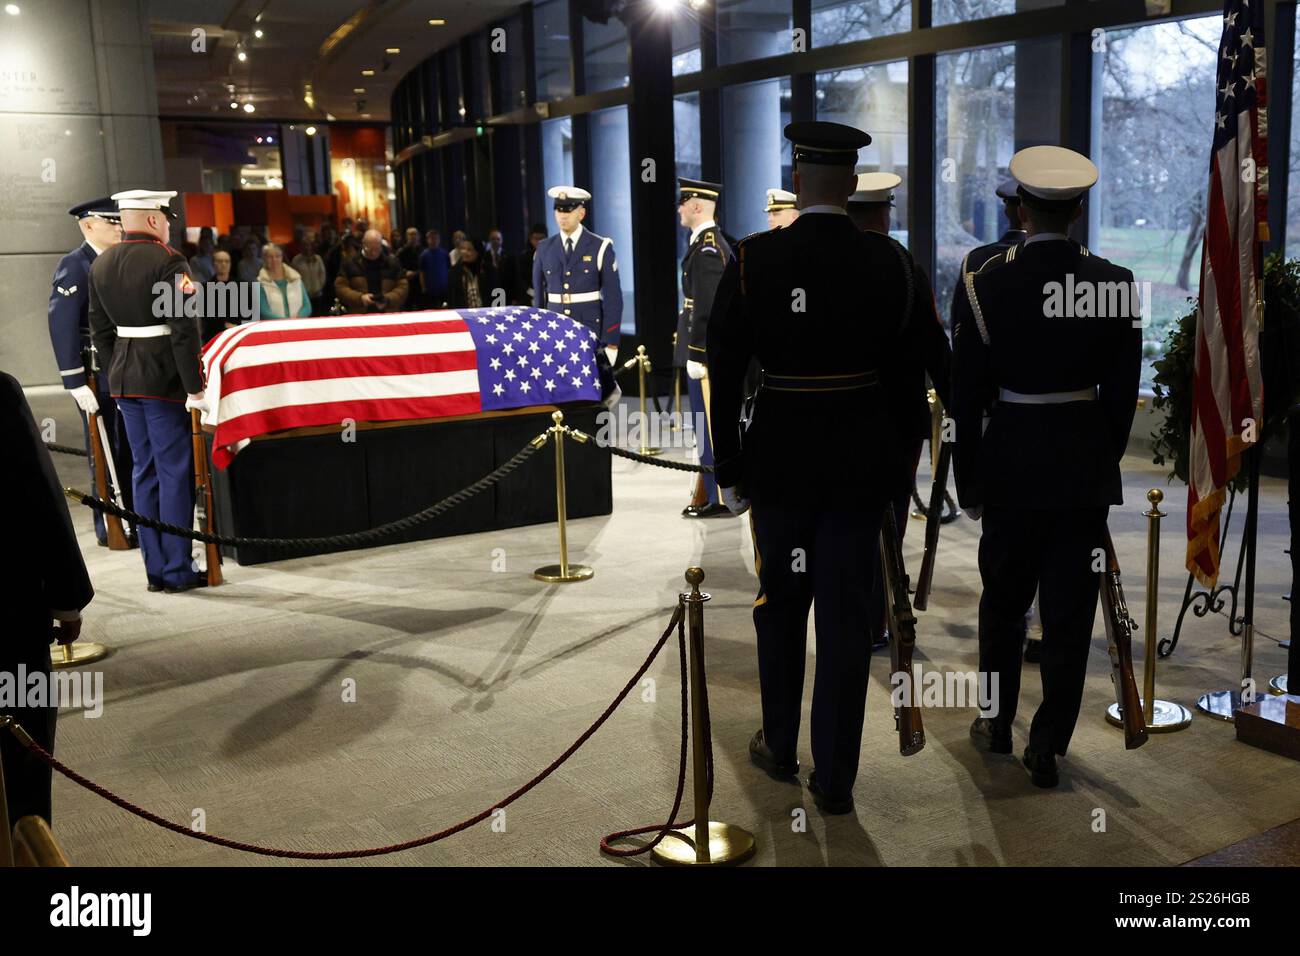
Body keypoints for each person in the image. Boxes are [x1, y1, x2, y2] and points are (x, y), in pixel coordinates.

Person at [707, 122, 929, 815]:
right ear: (855, 185)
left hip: (781, 462)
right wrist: (899, 471)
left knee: (780, 610)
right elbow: (910, 378)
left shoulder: (753, 259)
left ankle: (778, 743)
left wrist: (730, 465)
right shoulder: (890, 263)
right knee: (842, 621)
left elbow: (724, 363)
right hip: (860, 470)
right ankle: (836, 779)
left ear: (797, 182)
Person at [951, 146, 1142, 788]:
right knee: (1069, 611)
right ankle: (1049, 743)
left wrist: (968, 479)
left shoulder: (985, 280)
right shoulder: (1113, 283)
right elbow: (1120, 397)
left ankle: (996, 721)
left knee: (1004, 602)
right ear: (1079, 209)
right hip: (1080, 467)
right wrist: (1097, 459)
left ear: (1023, 210)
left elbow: (967, 393)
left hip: (1009, 463)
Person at [849, 172, 953, 649]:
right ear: (882, 213)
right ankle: (880, 618)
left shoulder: (828, 265)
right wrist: (959, 401)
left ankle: (854, 616)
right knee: (887, 518)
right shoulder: (905, 266)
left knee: (845, 522)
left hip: (839, 420)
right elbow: (934, 344)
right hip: (896, 421)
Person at [87, 188, 207, 594]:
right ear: (154, 219)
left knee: (144, 470)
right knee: (174, 472)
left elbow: (100, 332)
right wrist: (195, 386)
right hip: (162, 380)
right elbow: (184, 329)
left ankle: (155, 568)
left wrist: (117, 371)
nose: (169, 224)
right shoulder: (169, 260)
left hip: (123, 379)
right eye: (166, 218)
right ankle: (177, 570)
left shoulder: (101, 264)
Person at [0, 371, 94, 827]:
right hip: (7, 616)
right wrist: (66, 598)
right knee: (23, 759)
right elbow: (38, 496)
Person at [47, 196, 135, 548]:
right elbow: (61, 323)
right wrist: (73, 380)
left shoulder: (118, 260)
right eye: (109, 221)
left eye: (119, 221)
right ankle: (108, 523)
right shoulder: (76, 264)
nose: (118, 227)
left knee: (126, 448)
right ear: (87, 225)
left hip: (123, 369)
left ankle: (132, 517)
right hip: (94, 373)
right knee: (104, 449)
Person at [675, 178, 732, 519]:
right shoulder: (702, 244)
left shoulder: (708, 248)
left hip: (705, 357)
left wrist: (697, 354)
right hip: (702, 353)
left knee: (709, 426)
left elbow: (708, 308)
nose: (679, 209)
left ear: (696, 206)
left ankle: (719, 496)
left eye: (683, 203)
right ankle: (709, 491)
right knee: (702, 424)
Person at [532, 186, 623, 366]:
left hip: (589, 331)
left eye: (568, 210)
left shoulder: (600, 247)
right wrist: (537, 334)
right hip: (553, 332)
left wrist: (611, 342)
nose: (562, 215)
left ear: (581, 213)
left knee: (588, 390)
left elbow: (613, 298)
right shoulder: (544, 249)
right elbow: (539, 300)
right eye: (558, 209)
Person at [335, 228, 409, 313]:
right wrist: (360, 298)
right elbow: (340, 287)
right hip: (359, 314)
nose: (373, 253)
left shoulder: (392, 263)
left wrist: (388, 299)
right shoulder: (350, 263)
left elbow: (403, 286)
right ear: (363, 244)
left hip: (388, 313)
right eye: (370, 249)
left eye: (377, 249)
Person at [258, 243, 313, 319]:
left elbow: (307, 306)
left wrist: (297, 318)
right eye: (270, 257)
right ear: (264, 259)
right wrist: (284, 322)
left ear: (282, 257)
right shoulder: (260, 282)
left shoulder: (295, 278)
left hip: (298, 324)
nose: (274, 260)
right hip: (274, 327)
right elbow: (264, 311)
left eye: (277, 256)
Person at [201, 249, 236, 343]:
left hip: (237, 334)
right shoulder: (205, 288)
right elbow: (206, 317)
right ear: (214, 264)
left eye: (227, 261)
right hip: (214, 336)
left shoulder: (241, 286)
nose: (224, 264)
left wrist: (237, 326)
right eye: (220, 261)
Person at [448, 236, 489, 308]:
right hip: (464, 314)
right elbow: (452, 297)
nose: (464, 252)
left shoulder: (488, 270)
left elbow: (497, 294)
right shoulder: (455, 271)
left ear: (478, 252)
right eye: (462, 249)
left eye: (469, 249)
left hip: (486, 314)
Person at [291, 236, 327, 315]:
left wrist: (319, 287)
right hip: (303, 295)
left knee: (317, 316)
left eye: (309, 245)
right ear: (301, 247)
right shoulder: (296, 260)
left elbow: (322, 274)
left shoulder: (318, 259)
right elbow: (293, 278)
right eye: (304, 245)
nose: (307, 247)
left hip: (317, 294)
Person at [516, 224, 547, 305]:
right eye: (536, 238)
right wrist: (531, 291)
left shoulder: (552, 256)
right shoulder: (523, 257)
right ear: (530, 239)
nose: (539, 241)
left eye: (542, 238)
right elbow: (520, 279)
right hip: (528, 297)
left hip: (549, 296)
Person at [420, 229, 451, 308]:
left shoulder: (444, 253)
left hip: (444, 287)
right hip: (430, 288)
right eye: (432, 238)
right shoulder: (424, 255)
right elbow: (421, 272)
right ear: (427, 240)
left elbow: (449, 269)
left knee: (445, 307)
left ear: (439, 240)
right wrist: (423, 287)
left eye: (436, 238)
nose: (434, 240)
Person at [397, 227, 423, 308]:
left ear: (419, 236)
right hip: (407, 282)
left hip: (420, 282)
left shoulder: (423, 251)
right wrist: (405, 272)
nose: (413, 236)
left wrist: (415, 273)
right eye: (410, 234)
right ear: (406, 237)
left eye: (415, 234)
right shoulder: (401, 251)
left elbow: (426, 267)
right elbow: (397, 267)